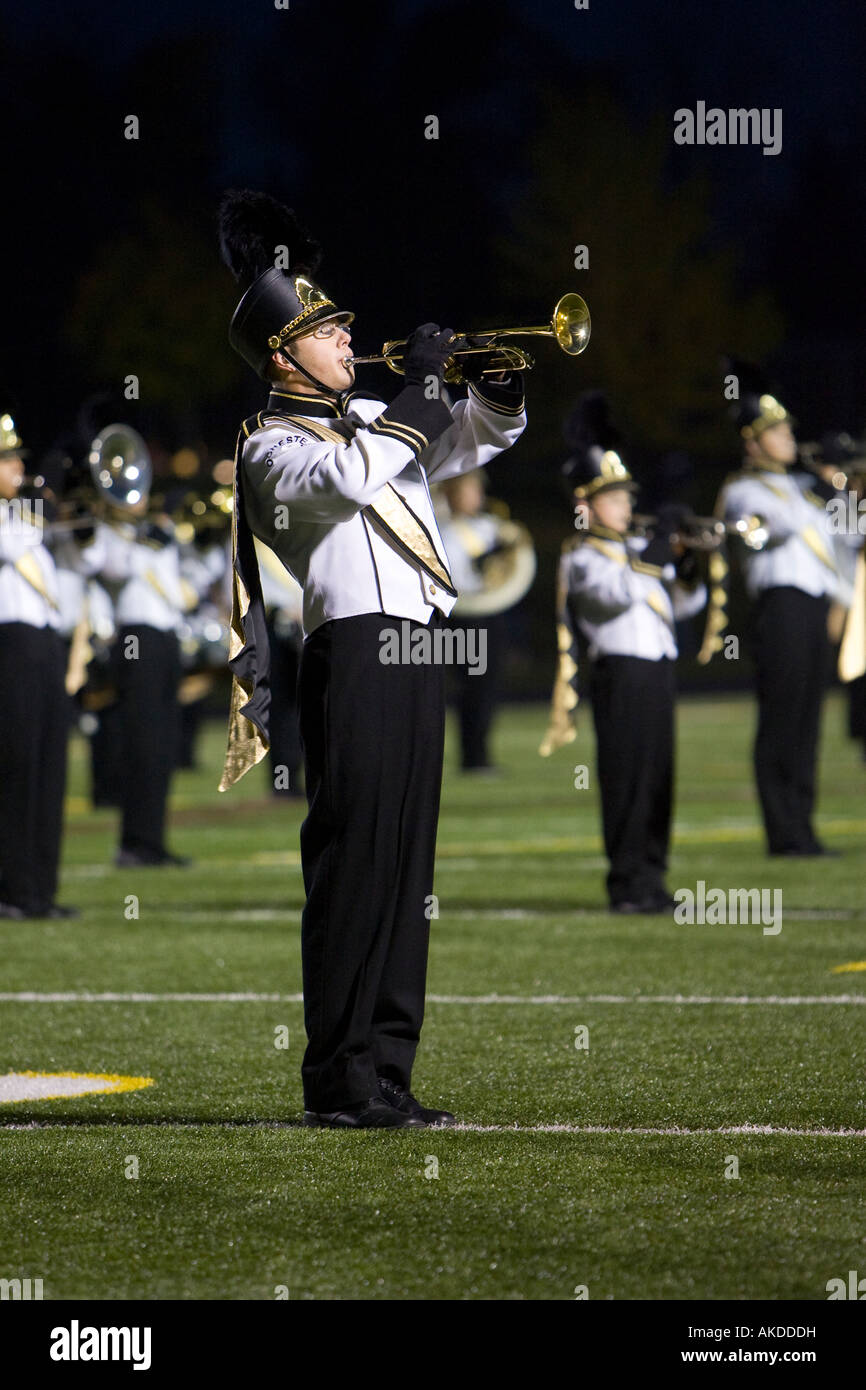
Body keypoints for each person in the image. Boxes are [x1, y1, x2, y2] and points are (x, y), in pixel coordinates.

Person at [218, 189, 527, 1127]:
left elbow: (476, 440)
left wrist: (494, 383)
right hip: (353, 656)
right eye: (329, 330)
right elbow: (355, 481)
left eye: (348, 326)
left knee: (405, 868)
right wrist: (429, 390)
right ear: (282, 354)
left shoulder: (377, 418)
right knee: (354, 865)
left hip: (416, 647)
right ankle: (339, 1080)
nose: (351, 339)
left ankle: (389, 1069)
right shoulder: (271, 447)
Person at [540, 392, 705, 913]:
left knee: (659, 779)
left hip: (656, 673)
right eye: (615, 497)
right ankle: (627, 883)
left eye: (628, 496)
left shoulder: (635, 550)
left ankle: (652, 877)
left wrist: (692, 563)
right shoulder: (583, 556)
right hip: (621, 676)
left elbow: (680, 603)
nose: (628, 505)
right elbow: (614, 598)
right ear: (586, 505)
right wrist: (659, 551)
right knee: (628, 781)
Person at [714, 361, 841, 856]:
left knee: (808, 720)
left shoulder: (802, 488)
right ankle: (782, 832)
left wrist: (840, 490)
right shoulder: (744, 488)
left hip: (813, 608)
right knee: (782, 719)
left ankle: (803, 829)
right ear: (752, 441)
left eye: (788, 428)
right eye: (777, 430)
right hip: (780, 608)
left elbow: (845, 542)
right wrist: (822, 483)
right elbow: (762, 532)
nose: (790, 435)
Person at [0, 413, 78, 919]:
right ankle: (12, 890)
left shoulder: (25, 518)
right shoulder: (14, 522)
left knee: (50, 768)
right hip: (12, 645)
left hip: (45, 645)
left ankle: (40, 892)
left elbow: (67, 582)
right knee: (17, 766)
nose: (20, 466)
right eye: (9, 459)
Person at [435, 470, 535, 773]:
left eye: (477, 491)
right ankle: (456, 756)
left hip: (488, 613)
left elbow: (515, 561)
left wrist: (500, 556)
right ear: (450, 494)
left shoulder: (490, 527)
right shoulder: (440, 528)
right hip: (457, 615)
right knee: (453, 687)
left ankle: (477, 757)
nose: (475, 497)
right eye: (467, 491)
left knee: (485, 688)